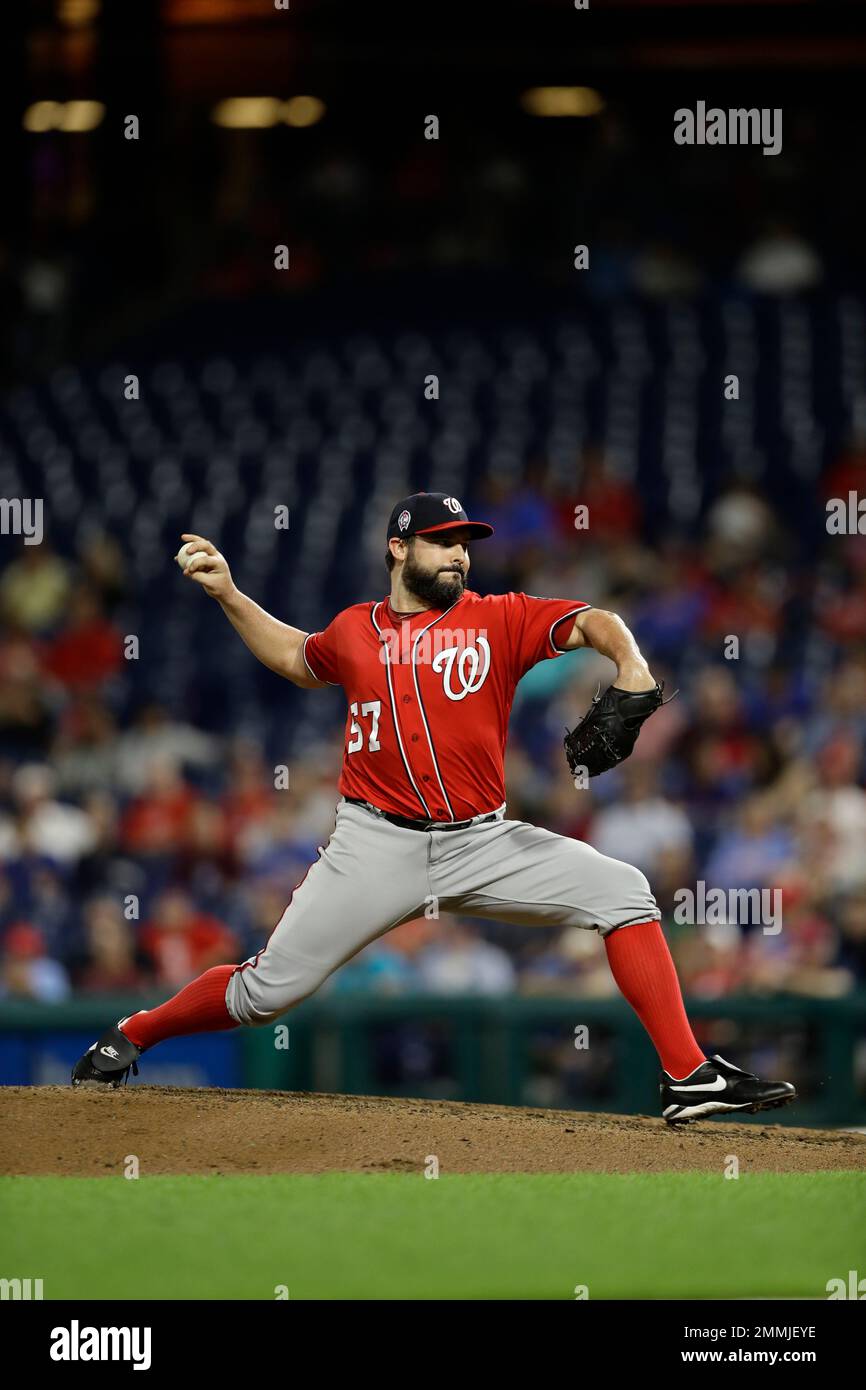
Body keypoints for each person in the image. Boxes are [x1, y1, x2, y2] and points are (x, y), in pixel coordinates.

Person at [72, 492, 796, 1125]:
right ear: (399, 548)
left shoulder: (500, 620)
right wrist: (230, 593)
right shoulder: (356, 629)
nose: (460, 556)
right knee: (266, 993)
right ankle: (136, 1031)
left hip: (481, 840)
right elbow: (298, 657)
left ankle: (688, 1074)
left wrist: (631, 666)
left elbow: (595, 620)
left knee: (624, 892)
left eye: (465, 545)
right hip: (372, 845)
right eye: (443, 541)